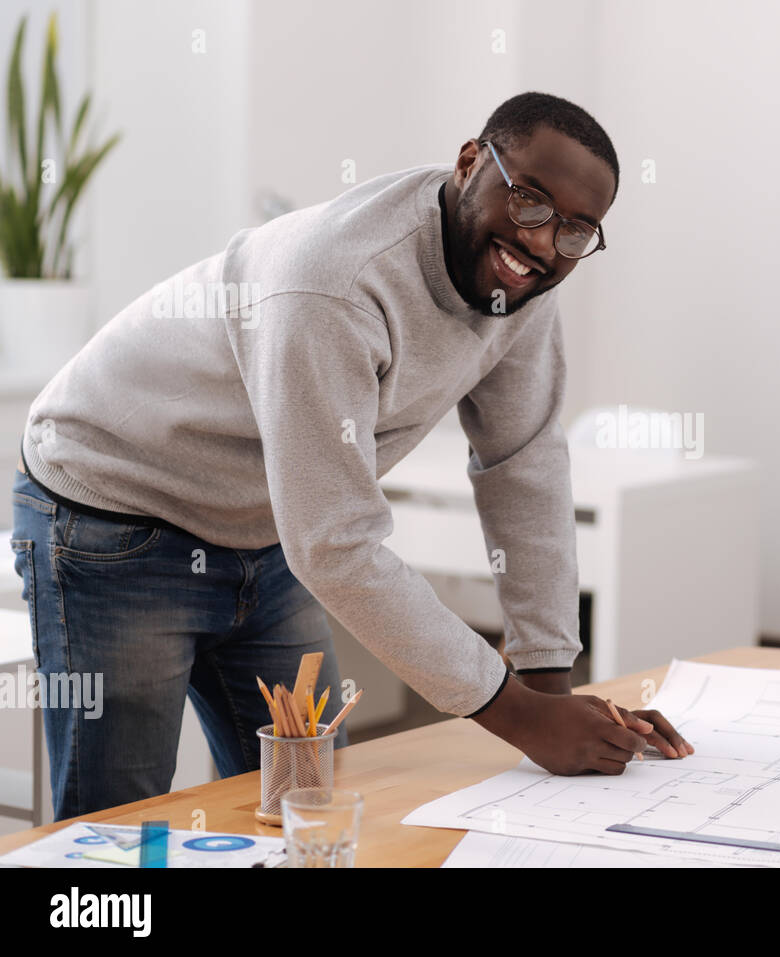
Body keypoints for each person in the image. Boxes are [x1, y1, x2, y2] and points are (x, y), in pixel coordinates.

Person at [11, 91, 691, 820]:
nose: (542, 241)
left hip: (271, 529)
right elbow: (334, 545)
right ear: (469, 163)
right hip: (117, 511)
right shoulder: (333, 280)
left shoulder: (523, 282)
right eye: (529, 201)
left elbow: (524, 465)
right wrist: (520, 716)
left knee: (307, 805)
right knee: (120, 827)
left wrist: (552, 697)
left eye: (576, 229)